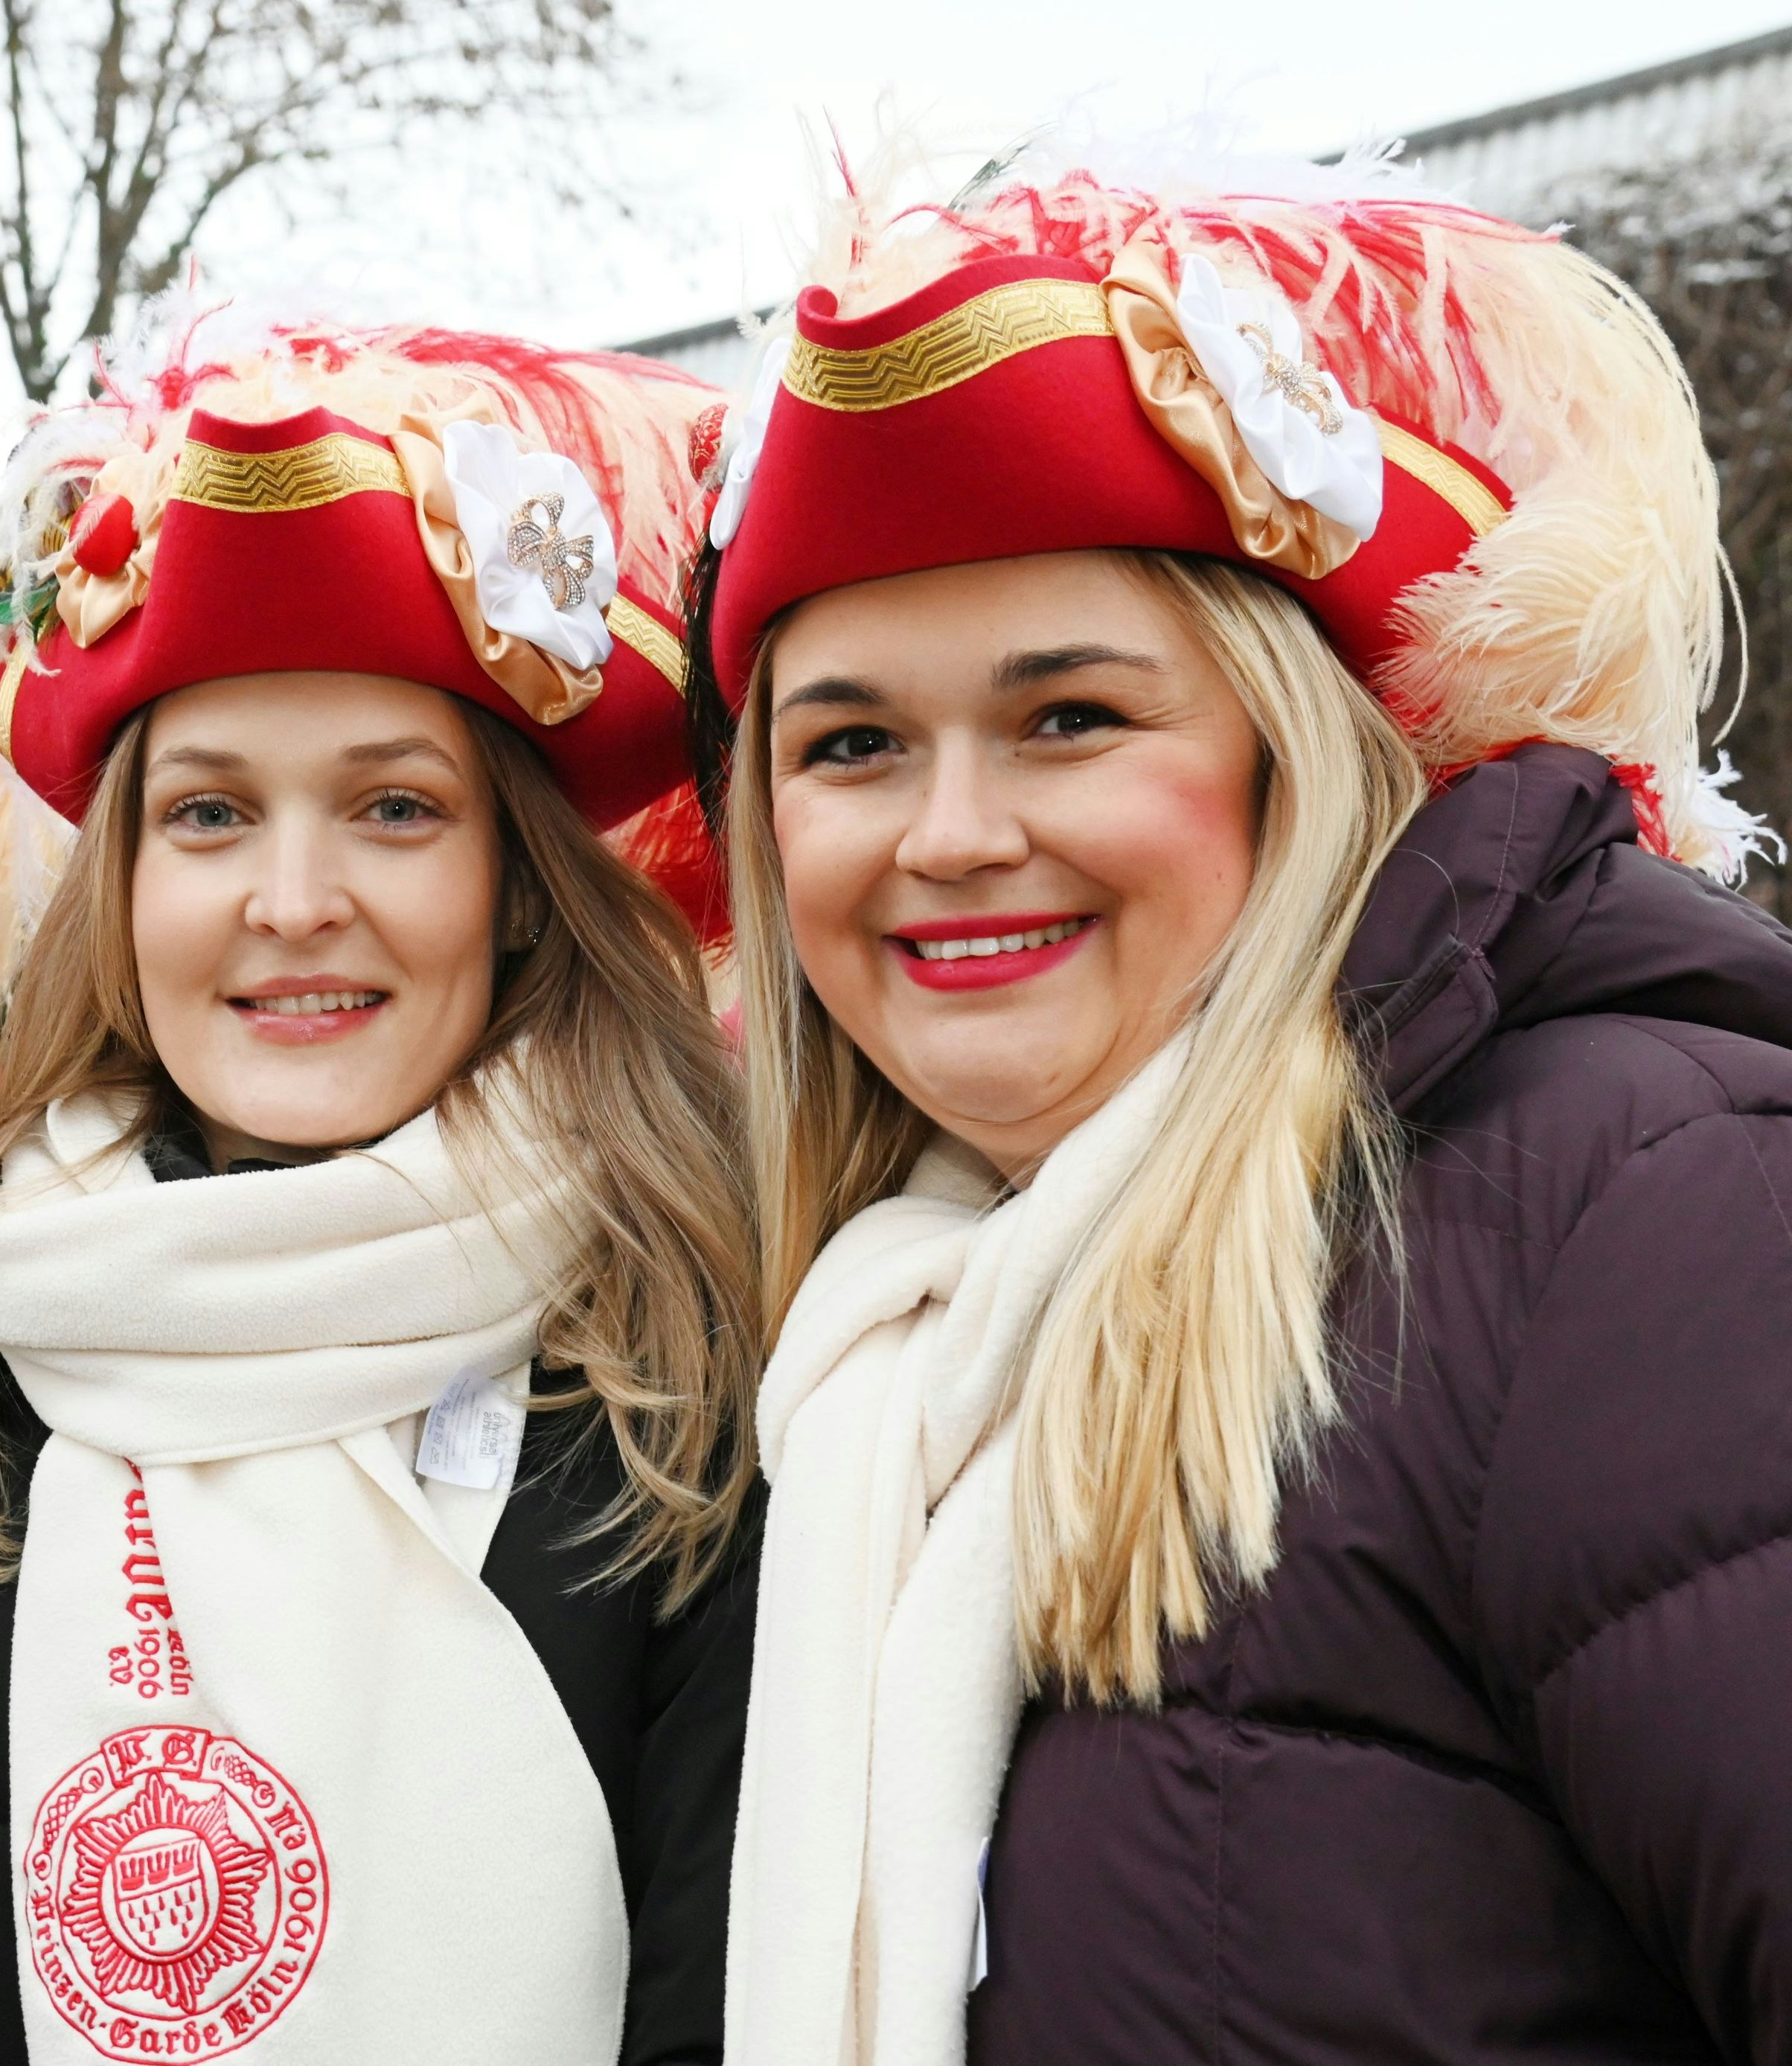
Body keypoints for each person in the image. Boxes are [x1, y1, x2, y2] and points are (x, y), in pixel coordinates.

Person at [691, 144, 1792, 2063]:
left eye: (1069, 716)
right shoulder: (847, 1341)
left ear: (1290, 760)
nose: (948, 834)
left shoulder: (1634, 1213)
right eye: (850, 742)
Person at [0, 316, 764, 2065]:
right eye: (210, 816)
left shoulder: (690, 1360)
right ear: (126, 891)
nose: (290, 898)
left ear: (517, 888)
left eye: (389, 809)